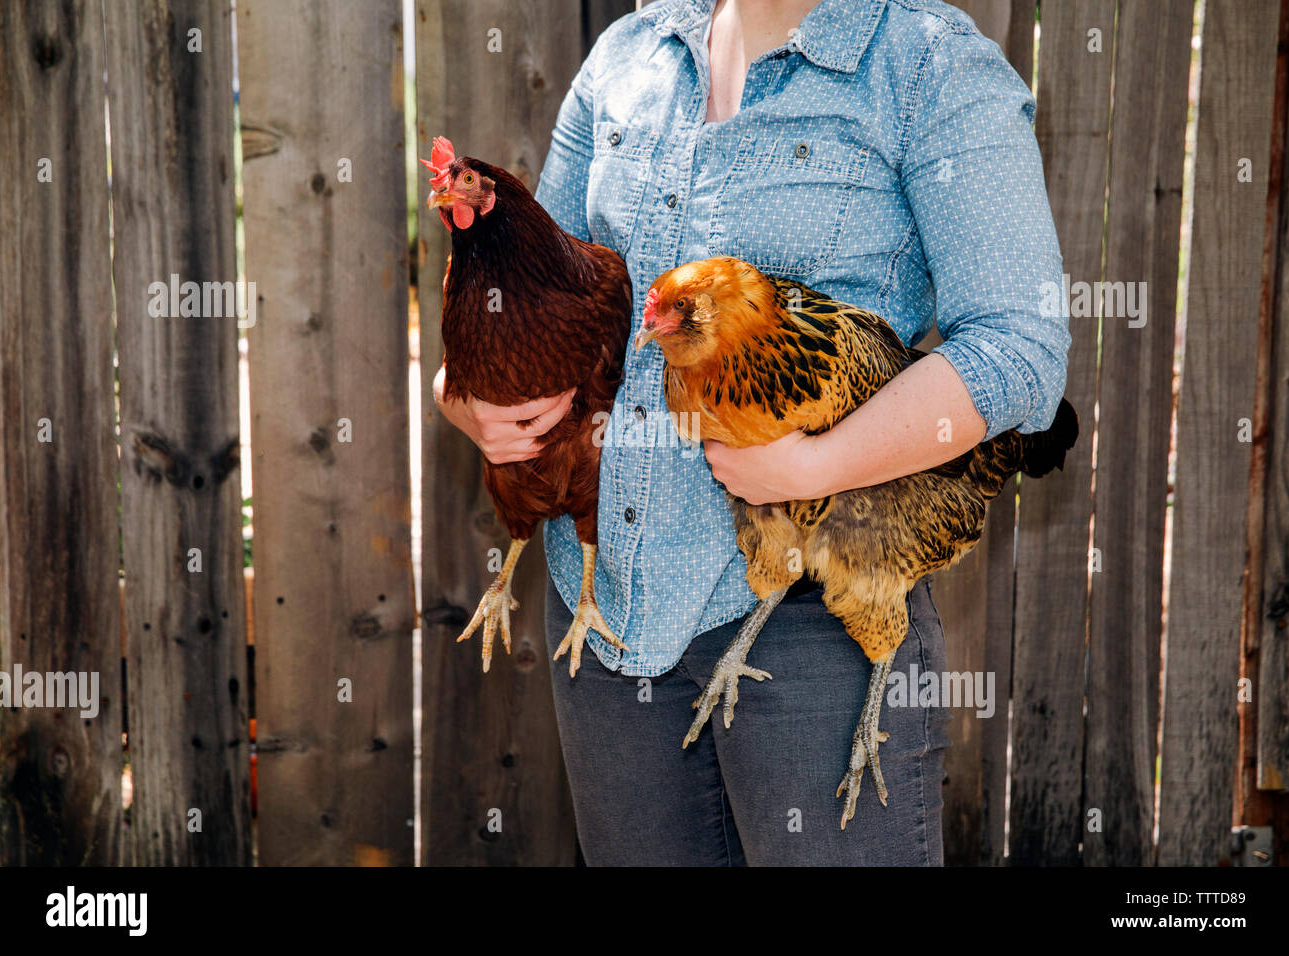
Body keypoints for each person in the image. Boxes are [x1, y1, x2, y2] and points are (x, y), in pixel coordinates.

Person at [433, 0, 1070, 865]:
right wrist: (465, 396)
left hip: (819, 617)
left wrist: (821, 464)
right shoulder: (633, 54)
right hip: (608, 612)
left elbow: (1021, 350)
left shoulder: (924, 66)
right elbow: (538, 286)